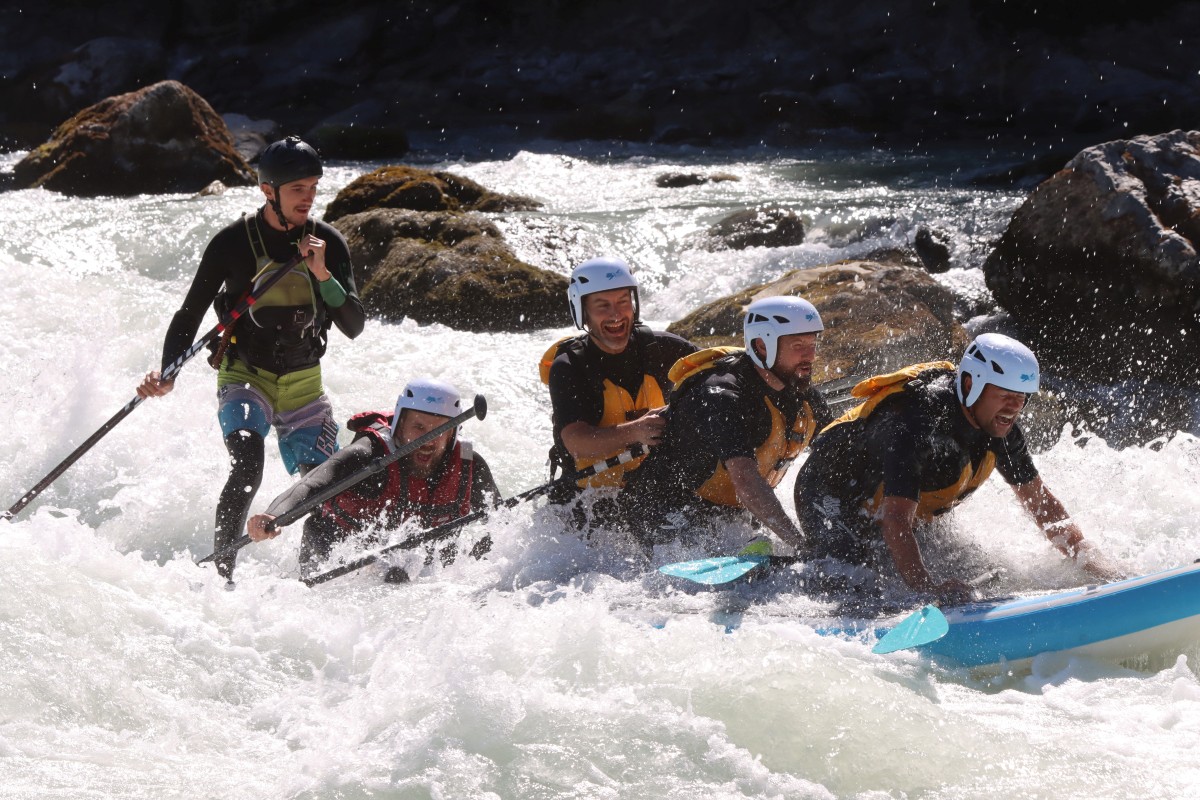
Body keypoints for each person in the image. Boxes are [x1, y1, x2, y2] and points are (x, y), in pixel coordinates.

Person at [137, 136, 366, 583]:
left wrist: (322, 274)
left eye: (313, 187)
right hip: (245, 376)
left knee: (324, 487)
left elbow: (354, 324)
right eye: (297, 188)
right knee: (247, 468)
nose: (308, 197)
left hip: (304, 383)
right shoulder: (232, 243)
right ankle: (222, 577)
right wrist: (168, 373)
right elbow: (189, 314)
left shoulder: (329, 242)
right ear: (267, 191)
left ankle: (312, 580)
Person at [794, 333, 1124, 603]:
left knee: (964, 566)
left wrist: (1088, 558)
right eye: (1005, 395)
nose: (1015, 407)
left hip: (890, 508)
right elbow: (895, 519)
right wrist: (925, 589)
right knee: (855, 575)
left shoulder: (1001, 428)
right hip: (829, 491)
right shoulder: (915, 425)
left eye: (1022, 397)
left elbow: (1039, 502)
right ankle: (784, 570)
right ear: (970, 385)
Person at [617, 295, 833, 551]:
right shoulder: (722, 395)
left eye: (812, 344)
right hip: (661, 506)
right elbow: (746, 480)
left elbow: (839, 455)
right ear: (763, 345)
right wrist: (801, 546)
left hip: (728, 512)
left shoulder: (803, 395)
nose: (810, 355)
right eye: (798, 345)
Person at [246, 378, 501, 580]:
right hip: (337, 559)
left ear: (453, 434)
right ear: (399, 425)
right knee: (389, 570)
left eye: (439, 431)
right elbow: (313, 483)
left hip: (421, 572)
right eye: (419, 427)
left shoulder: (470, 466)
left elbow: (502, 525)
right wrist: (273, 515)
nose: (428, 441)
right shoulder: (369, 454)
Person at [540, 257, 696, 495]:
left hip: (653, 489)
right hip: (588, 498)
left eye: (623, 301)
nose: (616, 314)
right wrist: (636, 431)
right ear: (582, 312)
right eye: (602, 305)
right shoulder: (570, 366)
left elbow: (718, 376)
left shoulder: (666, 349)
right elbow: (576, 442)